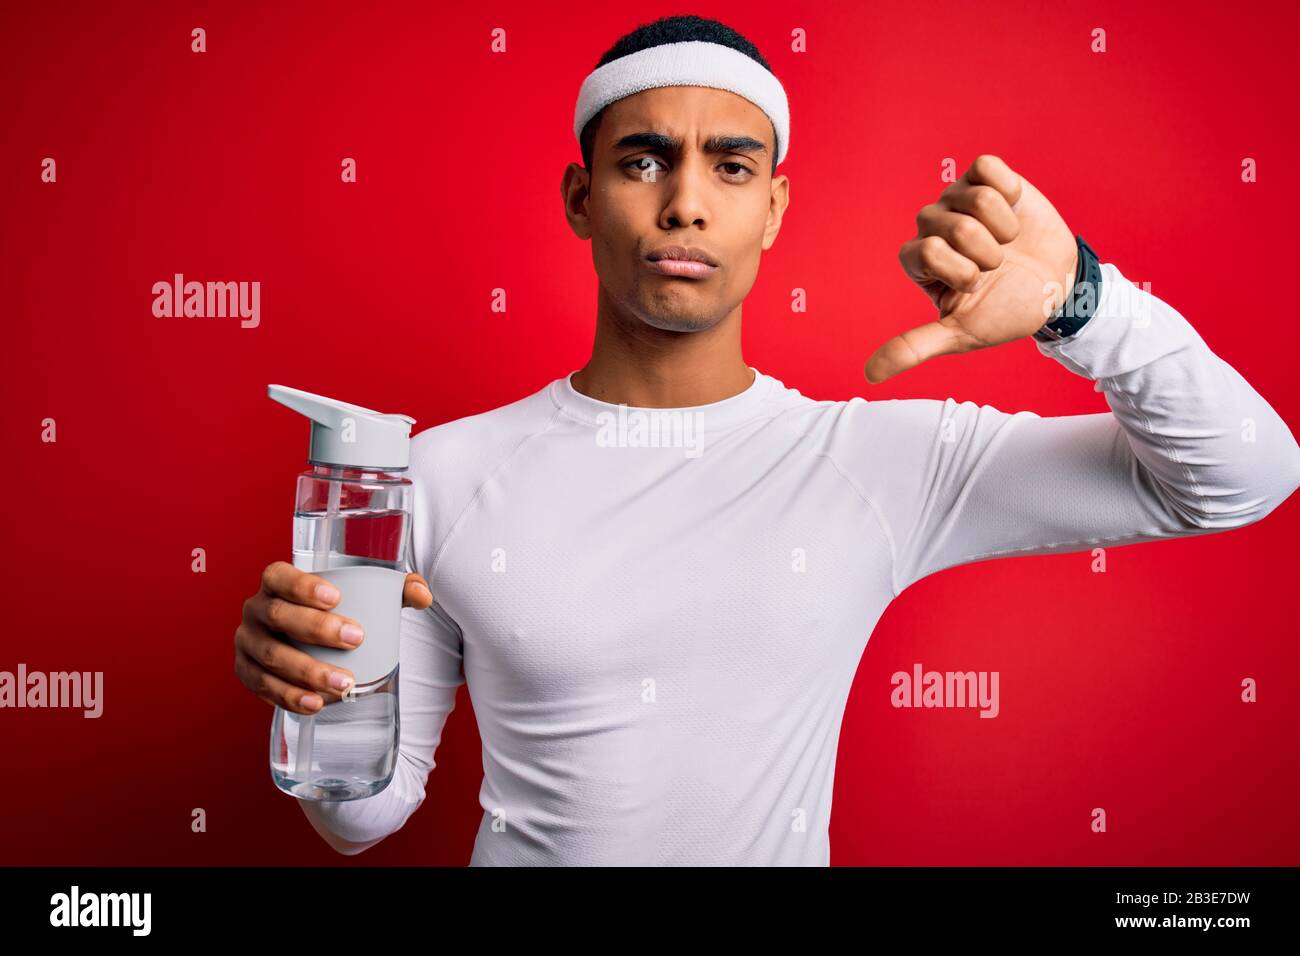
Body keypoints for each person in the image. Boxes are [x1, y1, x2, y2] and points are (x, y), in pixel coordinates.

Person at [232, 15, 1300, 865]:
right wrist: (319, 694)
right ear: (579, 196)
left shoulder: (879, 463)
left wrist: (1082, 303)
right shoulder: (434, 471)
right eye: (643, 160)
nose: (687, 203)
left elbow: (1244, 479)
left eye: (731, 167)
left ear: (775, 207)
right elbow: (361, 821)